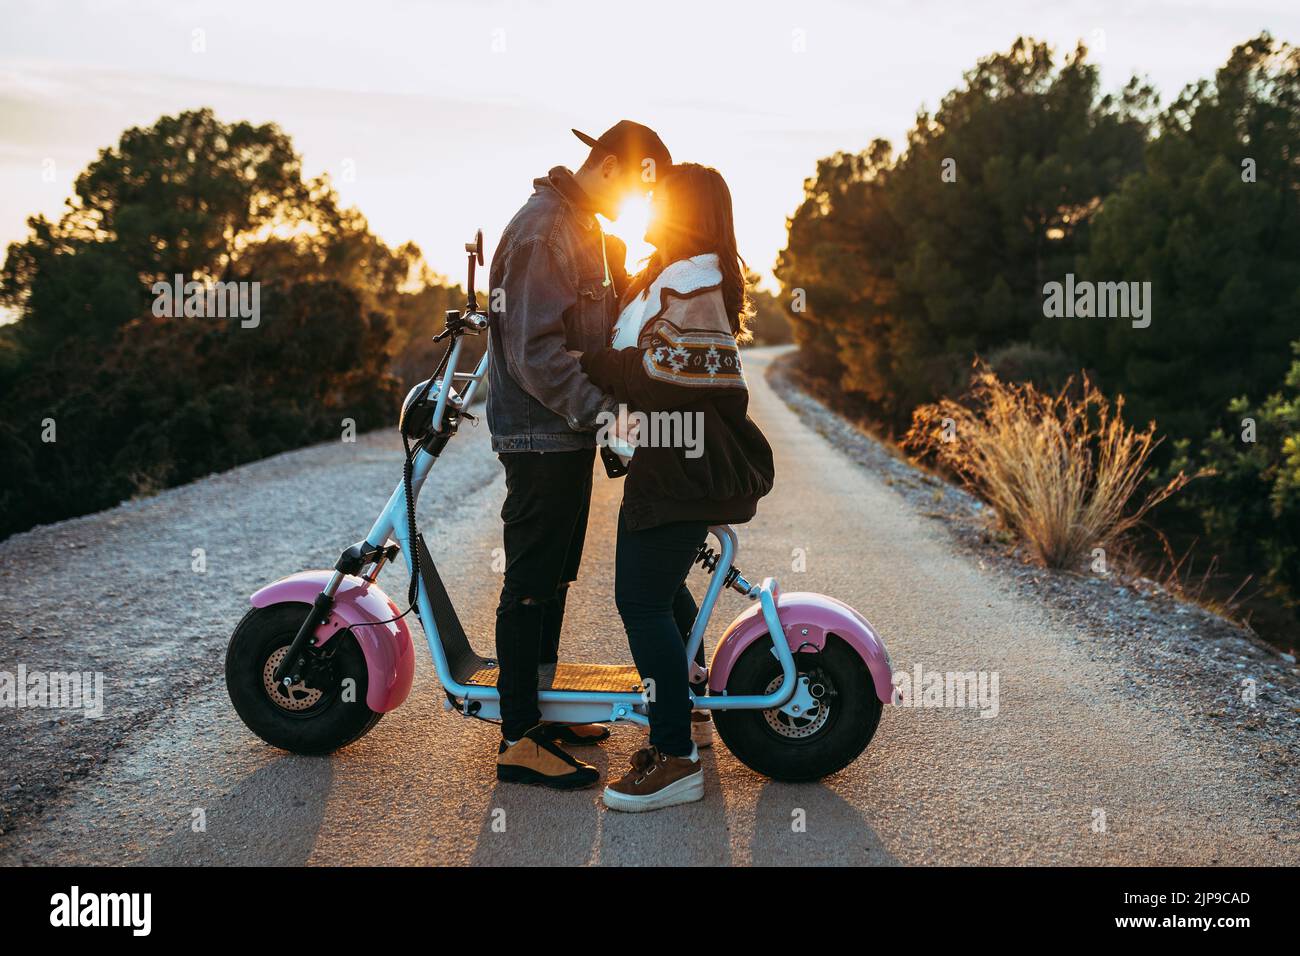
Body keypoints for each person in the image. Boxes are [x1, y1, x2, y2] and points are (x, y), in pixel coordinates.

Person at [579, 163, 775, 811]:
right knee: (656, 595)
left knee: (640, 602)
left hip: (680, 468)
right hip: (666, 462)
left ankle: (675, 757)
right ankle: (685, 698)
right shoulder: (678, 272)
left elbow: (672, 374)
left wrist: (598, 359)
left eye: (663, 201)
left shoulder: (696, 279)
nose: (652, 208)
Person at [487, 121, 672, 790]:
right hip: (539, 436)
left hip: (564, 434)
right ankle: (517, 739)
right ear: (610, 167)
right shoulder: (545, 231)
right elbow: (533, 353)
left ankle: (543, 711)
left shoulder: (587, 225)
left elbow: (594, 327)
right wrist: (606, 415)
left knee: (556, 576)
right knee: (531, 581)